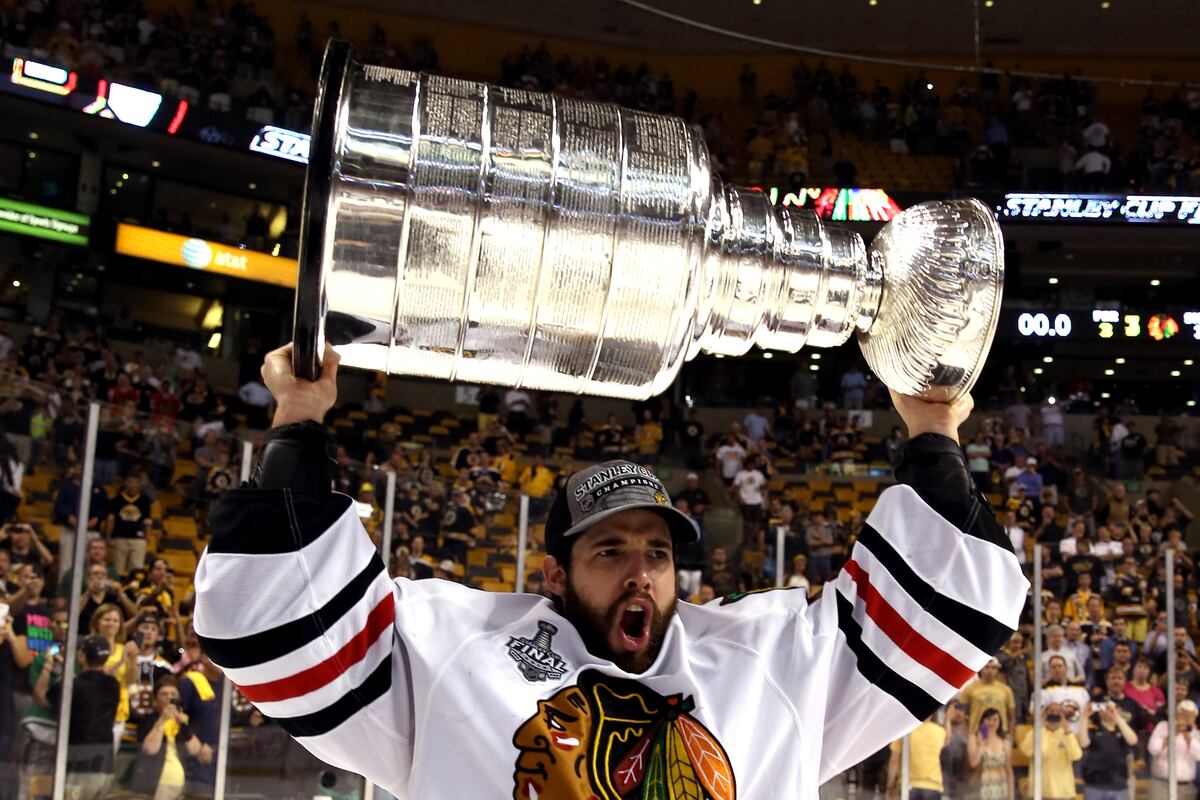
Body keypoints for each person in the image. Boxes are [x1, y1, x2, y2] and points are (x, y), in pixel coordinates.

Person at [191, 344, 1026, 798]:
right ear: (554, 575)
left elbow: (945, 600)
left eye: (658, 553)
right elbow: (277, 616)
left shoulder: (763, 663)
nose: (642, 573)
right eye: (610, 550)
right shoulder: (460, 654)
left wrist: (932, 429)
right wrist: (299, 422)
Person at [53, 635, 120, 800]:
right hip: (105, 764)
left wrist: (51, 668)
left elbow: (43, 698)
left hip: (79, 764)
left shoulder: (73, 685)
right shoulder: (113, 684)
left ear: (82, 656)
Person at [130, 675, 202, 800]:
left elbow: (195, 750)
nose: (169, 697)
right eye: (164, 694)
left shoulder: (183, 722)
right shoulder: (147, 721)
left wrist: (185, 727)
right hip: (154, 784)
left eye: (173, 694)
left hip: (181, 784)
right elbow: (150, 749)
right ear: (155, 698)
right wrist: (162, 721)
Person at [1019, 701, 1082, 800]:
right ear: (1045, 714)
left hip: (1063, 793)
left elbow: (1076, 756)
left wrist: (1067, 732)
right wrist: (1039, 726)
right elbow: (1026, 751)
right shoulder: (1036, 733)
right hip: (1040, 791)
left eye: (1058, 712)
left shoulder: (1068, 734)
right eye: (1051, 711)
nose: (1054, 714)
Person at [1078, 698, 1139, 800]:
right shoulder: (1092, 730)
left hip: (1119, 785)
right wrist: (1084, 716)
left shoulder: (1123, 731)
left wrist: (1116, 716)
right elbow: (1083, 743)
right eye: (1103, 708)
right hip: (1095, 785)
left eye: (1109, 708)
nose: (1106, 710)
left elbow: (1133, 741)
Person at [887, 713, 948, 800]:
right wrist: (947, 718)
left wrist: (890, 786)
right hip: (933, 787)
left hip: (909, 785)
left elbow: (894, 761)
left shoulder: (905, 731)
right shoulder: (940, 731)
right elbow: (947, 743)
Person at [1147, 699, 1200, 800]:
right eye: (1183, 715)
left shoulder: (1197, 734)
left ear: (1194, 718)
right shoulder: (1163, 726)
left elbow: (1199, 756)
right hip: (1161, 784)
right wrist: (1172, 733)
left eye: (1190, 716)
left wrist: (1187, 737)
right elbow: (1153, 749)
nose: (1186, 719)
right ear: (1176, 714)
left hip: (1186, 787)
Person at [959, 658, 1016, 734]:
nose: (990, 670)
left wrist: (1010, 736)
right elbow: (962, 714)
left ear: (997, 670)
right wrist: (966, 734)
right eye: (986, 667)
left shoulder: (1006, 690)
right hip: (976, 732)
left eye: (993, 668)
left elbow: (1011, 717)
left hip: (1000, 733)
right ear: (980, 669)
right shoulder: (969, 689)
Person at [966, 707, 1012, 800]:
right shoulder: (974, 738)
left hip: (1001, 786)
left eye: (995, 720)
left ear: (1000, 722)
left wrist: (1011, 796)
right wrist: (981, 745)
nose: (991, 723)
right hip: (981, 787)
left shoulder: (1005, 741)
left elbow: (1009, 770)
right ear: (982, 721)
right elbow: (973, 763)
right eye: (988, 719)